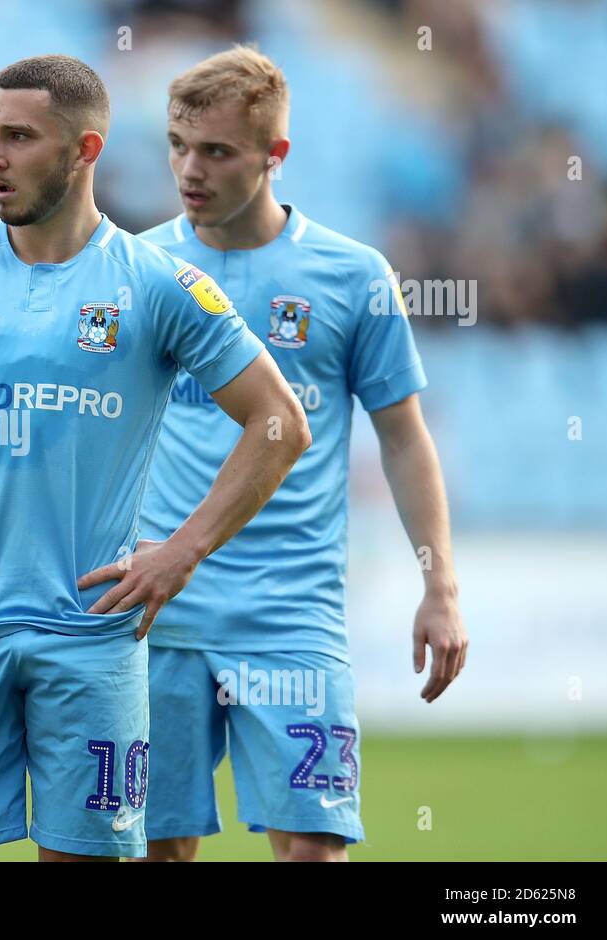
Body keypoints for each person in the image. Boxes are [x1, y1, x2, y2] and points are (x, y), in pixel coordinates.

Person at [0, 55, 308, 861]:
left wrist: (183, 552)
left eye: (20, 136)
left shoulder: (158, 285)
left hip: (94, 641)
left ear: (84, 150)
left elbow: (279, 422)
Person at [135, 45, 468, 862]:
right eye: (178, 146)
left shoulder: (354, 276)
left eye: (216, 151)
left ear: (274, 156)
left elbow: (403, 438)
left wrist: (441, 587)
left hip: (292, 615)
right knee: (157, 850)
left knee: (312, 850)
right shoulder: (135, 267)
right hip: (154, 610)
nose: (190, 169)